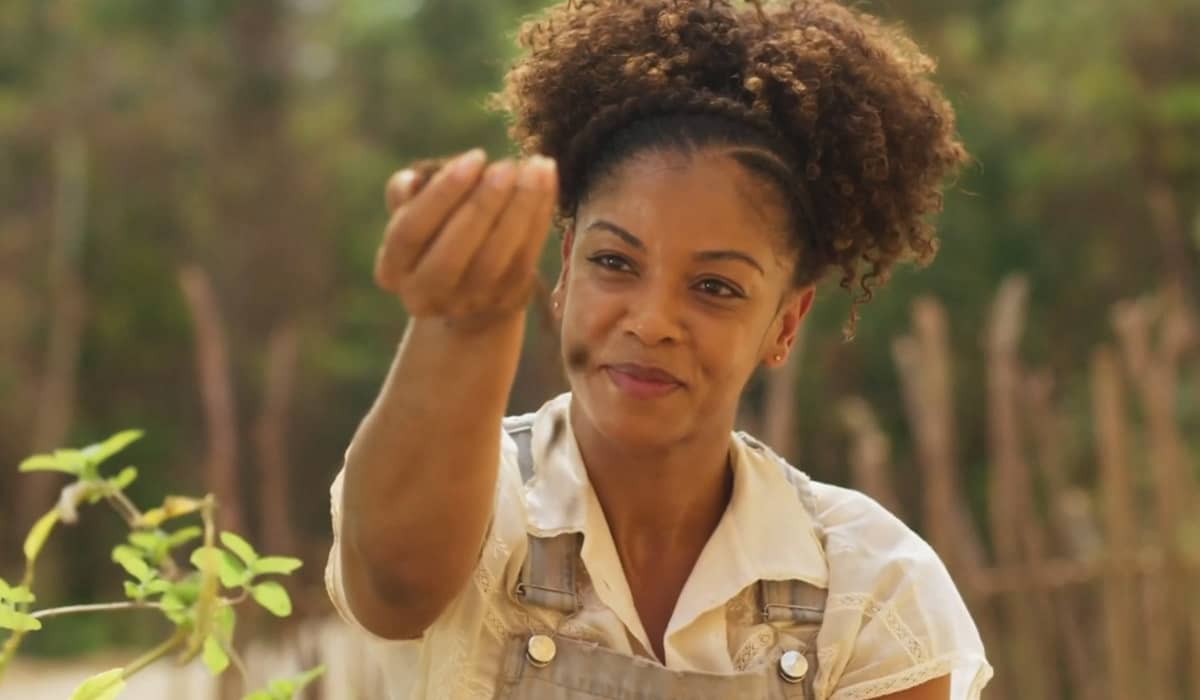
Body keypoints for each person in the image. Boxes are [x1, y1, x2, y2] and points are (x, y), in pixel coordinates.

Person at [325, 1, 993, 698]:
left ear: (786, 324)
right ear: (564, 263)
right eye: (615, 263)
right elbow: (394, 587)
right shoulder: (473, 499)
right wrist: (465, 324)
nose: (652, 322)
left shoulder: (868, 583)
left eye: (715, 286)